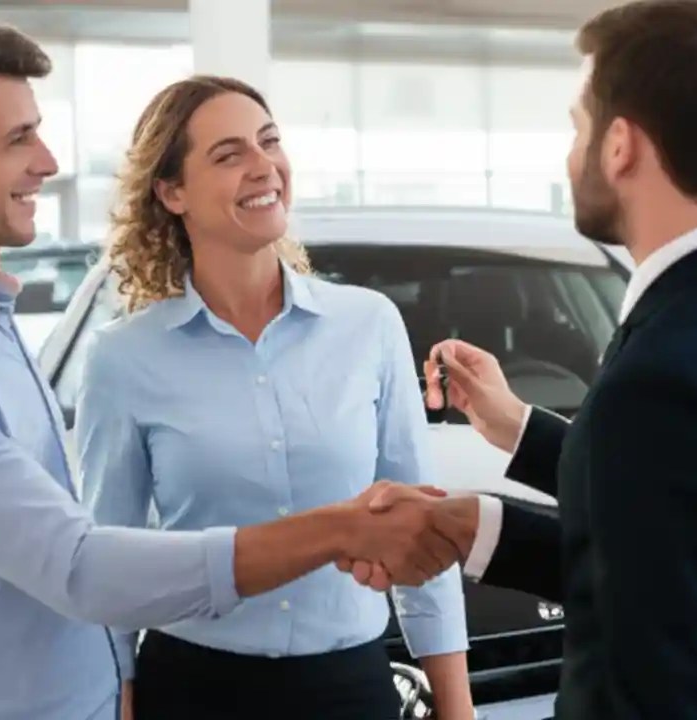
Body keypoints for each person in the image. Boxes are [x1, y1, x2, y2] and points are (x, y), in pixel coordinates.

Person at [0, 18, 460, 720]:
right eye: (16, 139)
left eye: (269, 141)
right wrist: (338, 529)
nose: (48, 161)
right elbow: (83, 565)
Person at [350, 1, 697, 719]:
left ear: (621, 145)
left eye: (578, 126)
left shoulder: (662, 381)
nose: (572, 153)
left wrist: (467, 521)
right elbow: (686, 538)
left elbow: (656, 683)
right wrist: (513, 449)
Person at [75, 74, 473, 720]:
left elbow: (420, 534)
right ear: (172, 192)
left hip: (352, 688)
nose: (265, 167)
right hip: (194, 690)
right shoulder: (123, 358)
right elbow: (111, 570)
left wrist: (457, 709)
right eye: (229, 155)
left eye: (269, 142)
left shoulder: (367, 325)